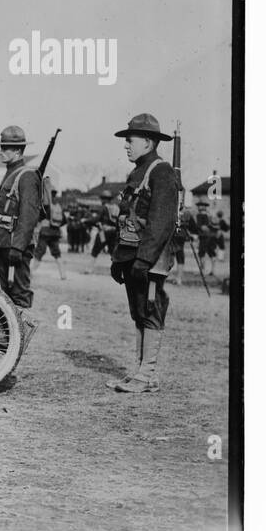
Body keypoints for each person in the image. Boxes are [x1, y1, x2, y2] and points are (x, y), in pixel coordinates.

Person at [109, 114, 179, 394]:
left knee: (150, 311)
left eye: (130, 140)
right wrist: (118, 260)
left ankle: (147, 374)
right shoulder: (138, 172)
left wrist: (144, 259)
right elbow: (126, 218)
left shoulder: (161, 172)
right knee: (138, 311)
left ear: (148, 143)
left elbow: (161, 223)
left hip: (150, 258)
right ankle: (139, 371)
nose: (126, 146)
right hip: (131, 255)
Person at [0, 125, 41, 324]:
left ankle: (19, 336)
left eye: (5, 148)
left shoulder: (27, 176)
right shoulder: (11, 173)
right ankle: (7, 335)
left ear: (17, 151)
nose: (1, 151)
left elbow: (28, 216)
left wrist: (18, 247)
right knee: (4, 295)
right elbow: (0, 211)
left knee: (19, 295)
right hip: (1, 242)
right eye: (2, 147)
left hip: (16, 245)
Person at [32, 189, 68, 280]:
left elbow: (38, 217)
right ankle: (63, 274)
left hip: (45, 233)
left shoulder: (46, 206)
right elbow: (64, 221)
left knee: (39, 253)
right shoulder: (59, 207)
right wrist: (56, 226)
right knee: (57, 254)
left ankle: (30, 272)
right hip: (55, 233)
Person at [89, 191, 120, 273]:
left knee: (95, 249)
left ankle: (90, 268)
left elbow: (96, 219)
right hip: (114, 232)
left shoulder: (104, 207)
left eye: (102, 199)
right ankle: (116, 271)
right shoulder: (116, 207)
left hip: (103, 232)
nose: (101, 200)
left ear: (104, 199)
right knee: (112, 251)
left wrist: (87, 221)